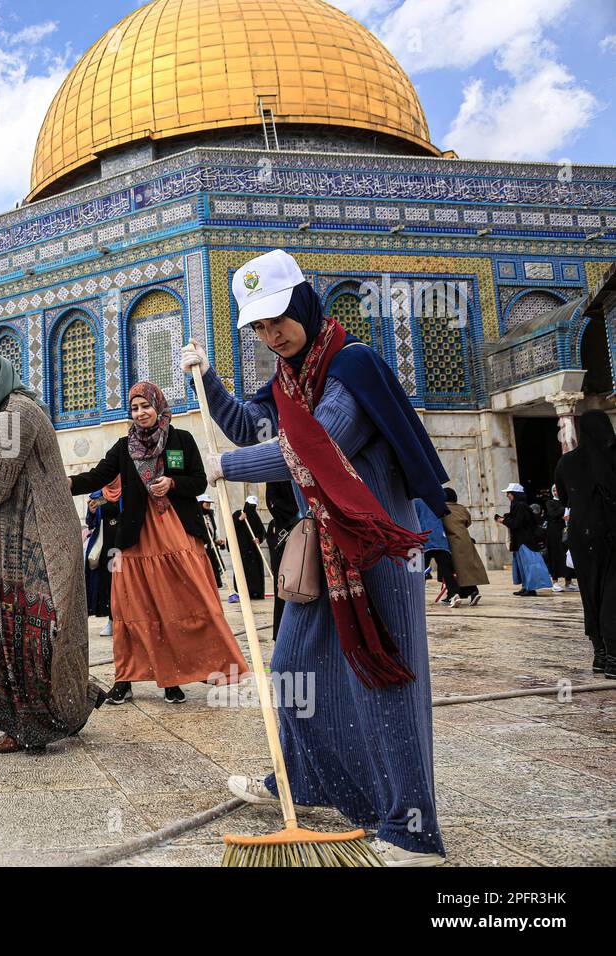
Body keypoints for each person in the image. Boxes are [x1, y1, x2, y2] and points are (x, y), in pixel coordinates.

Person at [180, 248, 447, 865]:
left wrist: (224, 467)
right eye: (260, 327)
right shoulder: (289, 379)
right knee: (295, 667)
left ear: (303, 299)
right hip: (321, 552)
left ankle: (413, 831)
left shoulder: (350, 368)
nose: (273, 334)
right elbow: (253, 427)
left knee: (387, 679)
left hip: (377, 547)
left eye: (279, 319)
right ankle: (306, 781)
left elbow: (317, 450)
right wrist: (211, 382)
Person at [0, 353, 104, 753]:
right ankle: (68, 705)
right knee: (28, 629)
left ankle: (29, 727)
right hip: (22, 539)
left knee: (29, 633)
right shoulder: (3, 415)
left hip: (39, 541)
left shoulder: (14, 414)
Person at [70, 380, 248, 705]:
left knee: (177, 605)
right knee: (131, 609)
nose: (140, 413)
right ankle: (125, 678)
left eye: (145, 406)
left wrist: (173, 482)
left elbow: (197, 481)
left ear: (159, 406)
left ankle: (174, 677)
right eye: (134, 408)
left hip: (175, 535)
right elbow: (97, 476)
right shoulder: (124, 447)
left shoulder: (181, 439)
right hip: (136, 540)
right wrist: (63, 482)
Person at [555, 410, 616, 678]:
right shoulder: (613, 455)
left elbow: (564, 497)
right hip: (612, 532)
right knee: (612, 593)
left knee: (590, 593)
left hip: (582, 534)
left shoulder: (567, 462)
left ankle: (599, 654)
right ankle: (614, 658)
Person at [497, 483, 550, 597]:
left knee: (528, 564)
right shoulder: (517, 505)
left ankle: (530, 588)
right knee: (522, 565)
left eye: (509, 493)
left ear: (515, 494)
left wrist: (503, 521)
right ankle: (526, 587)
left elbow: (517, 523)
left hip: (525, 541)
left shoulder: (520, 506)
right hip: (520, 541)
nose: (507, 495)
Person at [83, 478, 120, 636]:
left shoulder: (127, 491)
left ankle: (124, 619)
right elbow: (91, 523)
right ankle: (111, 620)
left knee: (122, 581)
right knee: (108, 582)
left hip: (123, 543)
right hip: (105, 546)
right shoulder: (99, 496)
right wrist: (91, 511)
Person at [440, 487, 488, 607]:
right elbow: (468, 522)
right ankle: (473, 592)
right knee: (465, 569)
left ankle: (454, 594)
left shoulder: (442, 508)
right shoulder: (461, 508)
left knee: (452, 570)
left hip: (452, 542)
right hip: (465, 540)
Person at [265, 480, 299, 638]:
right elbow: (272, 501)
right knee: (284, 585)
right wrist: (298, 512)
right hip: (285, 535)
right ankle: (283, 633)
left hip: (310, 530)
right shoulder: (276, 474)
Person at [413, 497, 454, 604]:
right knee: (446, 570)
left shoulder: (415, 502)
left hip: (423, 538)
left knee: (419, 570)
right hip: (440, 538)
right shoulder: (436, 500)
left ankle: (416, 596)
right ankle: (453, 594)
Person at [232, 494, 266, 600]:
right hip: (242, 549)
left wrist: (259, 539)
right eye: (250, 505)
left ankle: (256, 592)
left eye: (253, 506)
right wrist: (239, 519)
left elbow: (262, 532)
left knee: (255, 572)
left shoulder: (255, 517)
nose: (251, 508)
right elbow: (231, 528)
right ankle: (242, 591)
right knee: (243, 571)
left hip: (253, 551)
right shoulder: (238, 513)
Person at [541, 487, 574, 593]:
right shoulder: (550, 502)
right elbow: (553, 514)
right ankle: (555, 582)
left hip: (565, 533)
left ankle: (568, 582)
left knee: (567, 556)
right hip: (554, 535)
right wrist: (565, 509)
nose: (556, 492)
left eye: (558, 490)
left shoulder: (567, 502)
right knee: (555, 556)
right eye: (554, 490)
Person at [196, 494, 226, 588]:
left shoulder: (210, 515)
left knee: (213, 567)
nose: (208, 505)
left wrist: (217, 540)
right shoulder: (197, 516)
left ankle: (214, 584)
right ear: (201, 503)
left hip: (211, 547)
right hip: (202, 547)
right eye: (206, 503)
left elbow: (214, 530)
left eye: (209, 503)